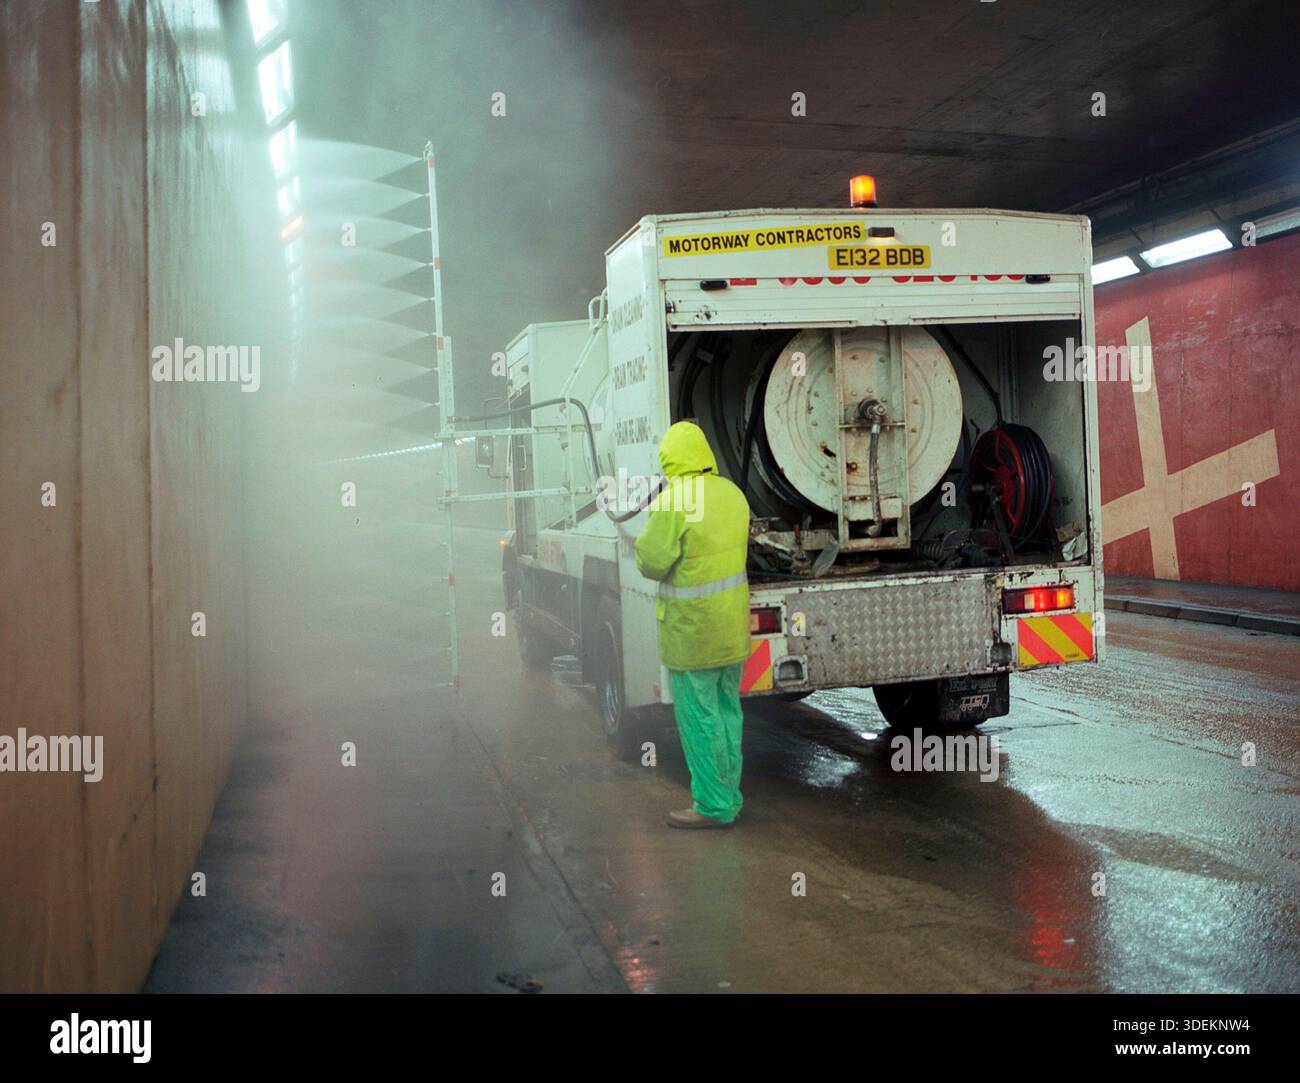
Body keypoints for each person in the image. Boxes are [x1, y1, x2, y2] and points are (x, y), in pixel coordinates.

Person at [634, 421, 751, 829]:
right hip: (731, 630)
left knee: (700, 721)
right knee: (726, 715)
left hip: (693, 635)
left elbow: (652, 561)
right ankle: (728, 795)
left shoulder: (674, 501)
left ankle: (714, 806)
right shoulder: (733, 494)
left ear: (670, 458)